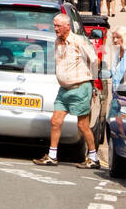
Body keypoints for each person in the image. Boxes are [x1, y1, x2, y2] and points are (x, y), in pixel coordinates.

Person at [34, 13, 101, 169]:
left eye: (58, 26)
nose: (55, 28)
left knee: (82, 126)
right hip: (64, 89)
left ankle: (93, 158)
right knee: (55, 121)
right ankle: (52, 156)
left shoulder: (79, 41)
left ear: (67, 26)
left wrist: (92, 81)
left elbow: (95, 59)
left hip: (80, 88)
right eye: (54, 25)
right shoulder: (58, 41)